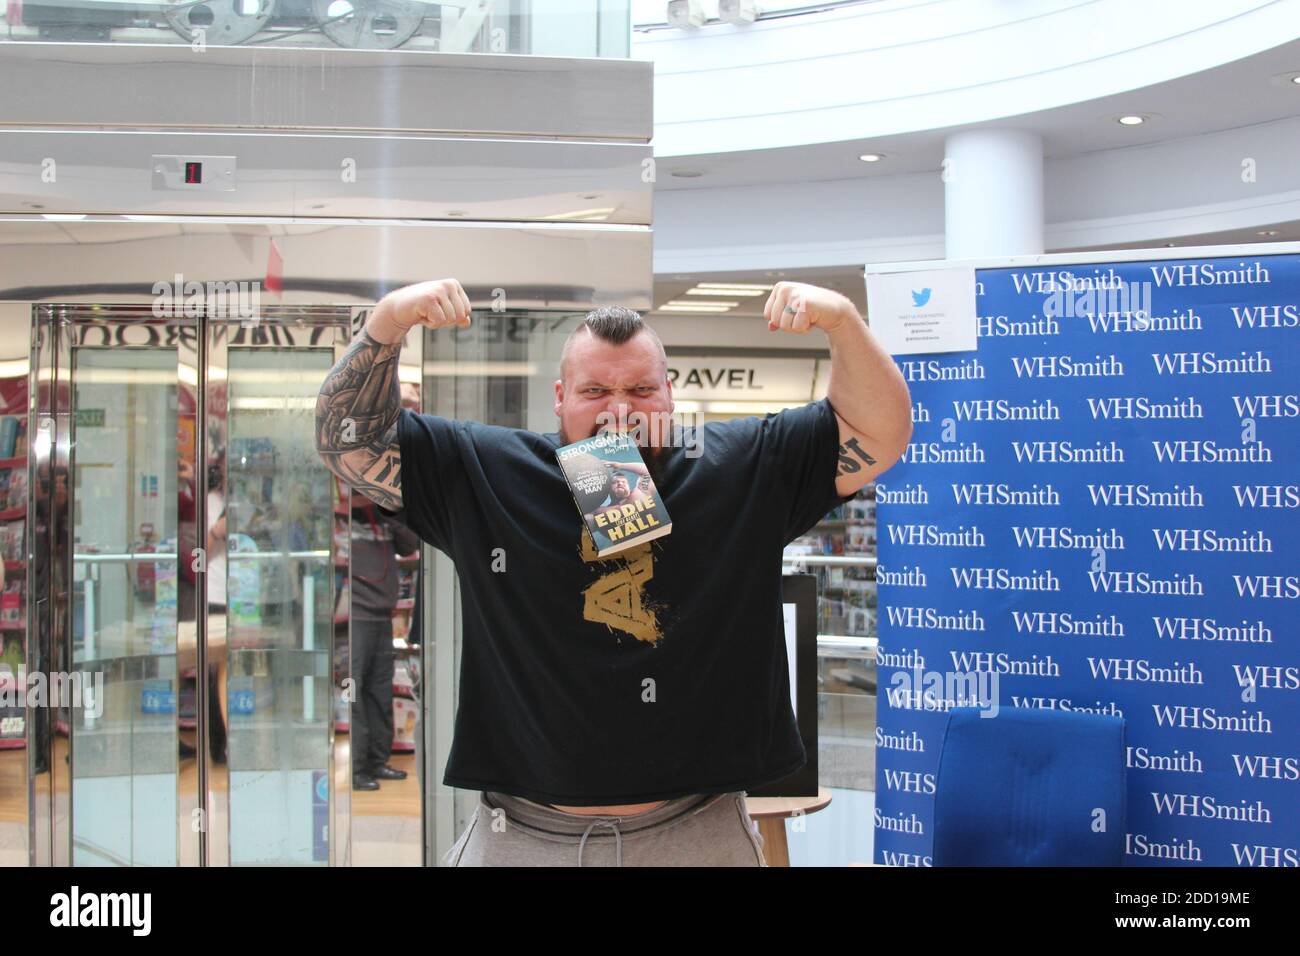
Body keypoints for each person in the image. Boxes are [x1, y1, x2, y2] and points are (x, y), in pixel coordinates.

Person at [314, 278, 911, 865]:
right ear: (560, 397)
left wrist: (843, 323)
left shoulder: (741, 466)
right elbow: (348, 443)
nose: (620, 411)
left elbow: (879, 434)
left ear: (669, 392)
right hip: (522, 836)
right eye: (596, 390)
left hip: (699, 835)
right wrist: (387, 322)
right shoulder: (488, 471)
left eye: (641, 389)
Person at [348, 491, 421, 791]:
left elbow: (410, 546)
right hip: (354, 616)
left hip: (382, 615)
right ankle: (357, 768)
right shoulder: (338, 515)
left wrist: (387, 509)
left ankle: (378, 761)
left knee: (380, 690)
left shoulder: (380, 514)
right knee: (354, 690)